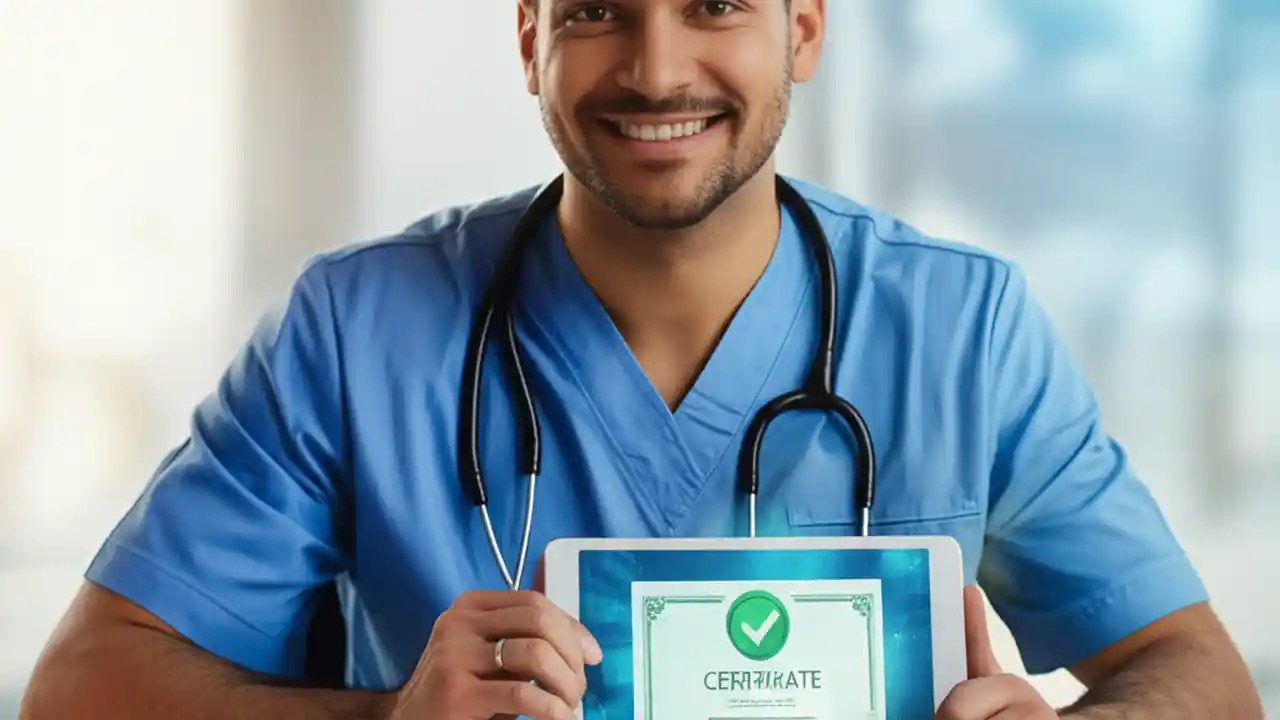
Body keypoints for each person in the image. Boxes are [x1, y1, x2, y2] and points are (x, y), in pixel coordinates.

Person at [21, 1, 1262, 719]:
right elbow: (81, 686)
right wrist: (392, 719)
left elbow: (1195, 676)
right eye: (597, 10)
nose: (656, 68)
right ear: (528, 40)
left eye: (716, 0)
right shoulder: (358, 331)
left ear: (805, 28)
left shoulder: (959, 330)